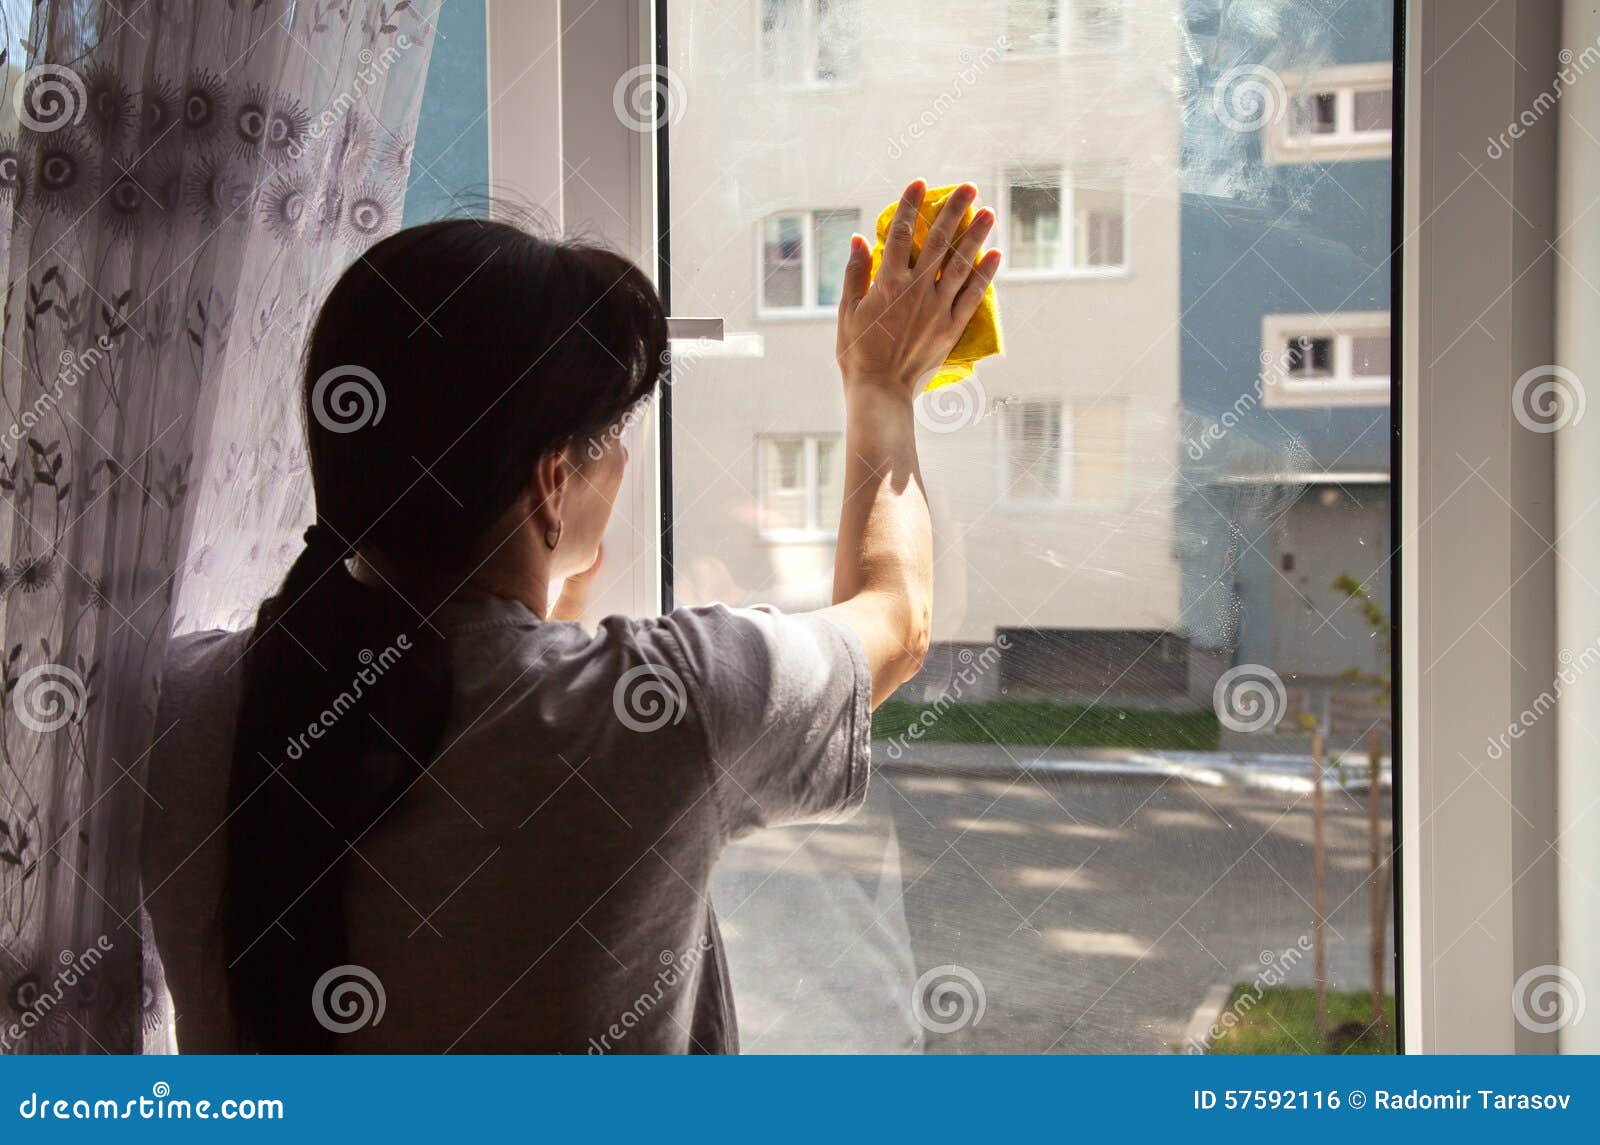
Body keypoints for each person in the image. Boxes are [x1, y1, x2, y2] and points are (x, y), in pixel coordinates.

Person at [141, 180, 1001, 1052]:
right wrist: (882, 384)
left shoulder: (178, 706)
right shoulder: (665, 710)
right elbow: (897, 618)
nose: (625, 457)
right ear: (554, 479)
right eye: (617, 434)